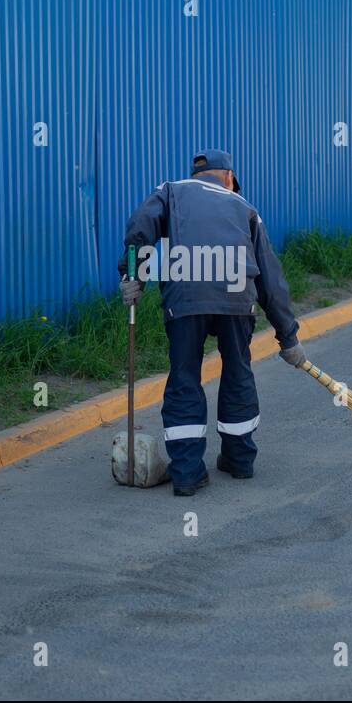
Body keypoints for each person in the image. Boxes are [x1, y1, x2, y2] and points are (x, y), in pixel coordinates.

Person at [119, 149, 306, 496]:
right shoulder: (244, 207)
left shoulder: (170, 190)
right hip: (236, 296)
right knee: (237, 370)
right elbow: (271, 278)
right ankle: (239, 461)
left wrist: (133, 275)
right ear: (229, 178)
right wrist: (288, 337)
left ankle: (188, 473)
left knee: (185, 375)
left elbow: (141, 226)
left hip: (187, 296)